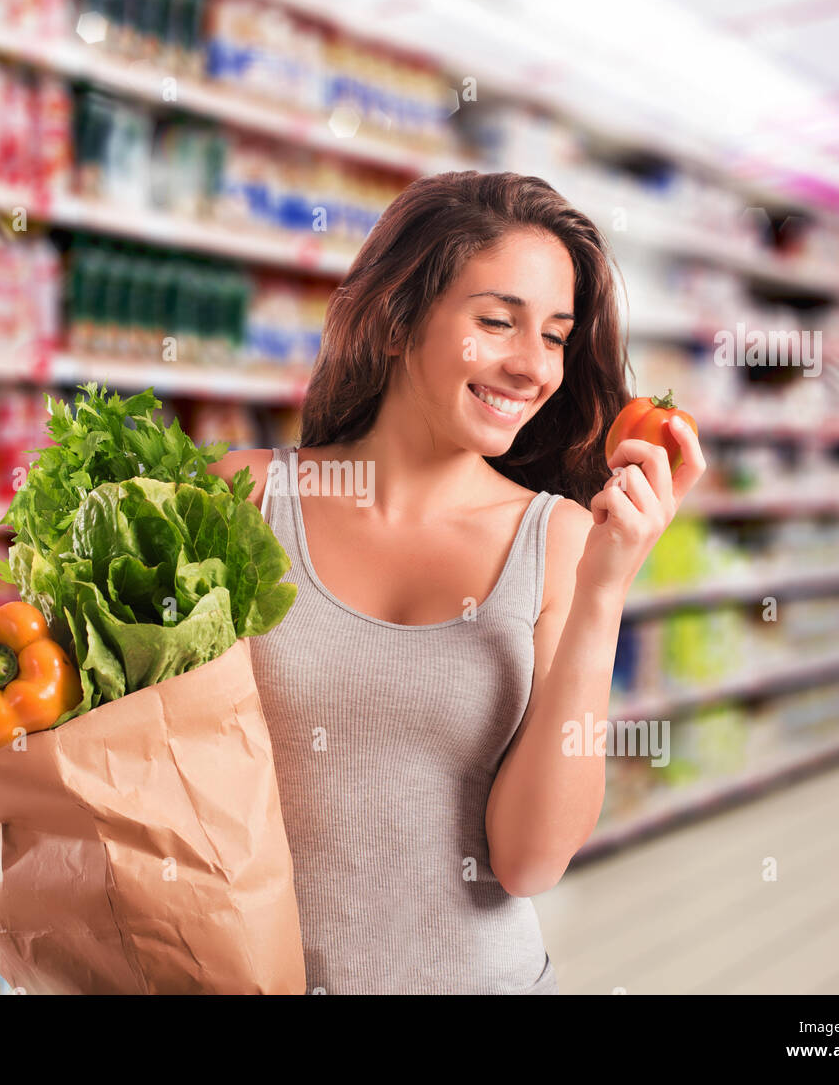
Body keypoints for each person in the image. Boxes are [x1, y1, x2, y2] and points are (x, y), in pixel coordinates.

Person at [207, 170, 706, 994]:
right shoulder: (246, 498)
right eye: (498, 322)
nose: (532, 367)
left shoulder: (558, 541)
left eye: (554, 336)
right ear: (398, 320)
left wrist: (604, 589)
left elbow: (530, 859)